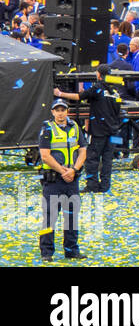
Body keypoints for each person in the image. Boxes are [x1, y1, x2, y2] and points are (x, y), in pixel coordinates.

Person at [52, 65, 123, 193]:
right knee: (107, 159)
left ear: (99, 75)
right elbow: (118, 110)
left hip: (99, 131)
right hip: (113, 131)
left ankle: (92, 185)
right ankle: (105, 186)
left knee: (92, 159)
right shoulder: (115, 91)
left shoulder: (97, 88)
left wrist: (60, 94)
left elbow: (80, 96)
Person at [37, 99, 86, 261]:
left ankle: (71, 250)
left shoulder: (75, 127)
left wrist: (74, 170)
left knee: (71, 216)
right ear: (52, 112)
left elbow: (83, 151)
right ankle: (46, 253)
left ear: (67, 111)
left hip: (72, 179)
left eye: (62, 110)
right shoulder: (47, 129)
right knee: (50, 217)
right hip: (53, 181)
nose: (60, 113)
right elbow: (45, 156)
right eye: (57, 110)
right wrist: (63, 171)